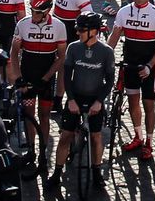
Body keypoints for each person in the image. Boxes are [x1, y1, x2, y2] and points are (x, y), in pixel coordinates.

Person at [46, 12, 115, 189]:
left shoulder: (106, 52)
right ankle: (57, 172)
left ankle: (97, 171)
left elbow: (109, 80)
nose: (78, 33)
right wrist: (70, 99)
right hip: (75, 97)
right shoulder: (74, 48)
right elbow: (67, 76)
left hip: (95, 99)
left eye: (82, 30)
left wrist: (99, 101)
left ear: (94, 31)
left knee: (96, 136)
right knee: (65, 137)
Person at [107, 0, 155, 161]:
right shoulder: (124, 12)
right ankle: (138, 136)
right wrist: (106, 56)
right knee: (133, 101)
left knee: (149, 104)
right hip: (130, 63)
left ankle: (149, 143)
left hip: (149, 67)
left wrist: (150, 66)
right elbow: (114, 37)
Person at [9, 0, 66, 177]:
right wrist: (18, 78)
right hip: (28, 76)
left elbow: (61, 57)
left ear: (47, 10)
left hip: (46, 79)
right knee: (28, 114)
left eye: (38, 12)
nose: (34, 15)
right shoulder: (23, 24)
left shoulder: (59, 26)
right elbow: (14, 53)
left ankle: (43, 151)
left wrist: (47, 77)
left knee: (44, 115)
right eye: (32, 11)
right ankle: (31, 150)